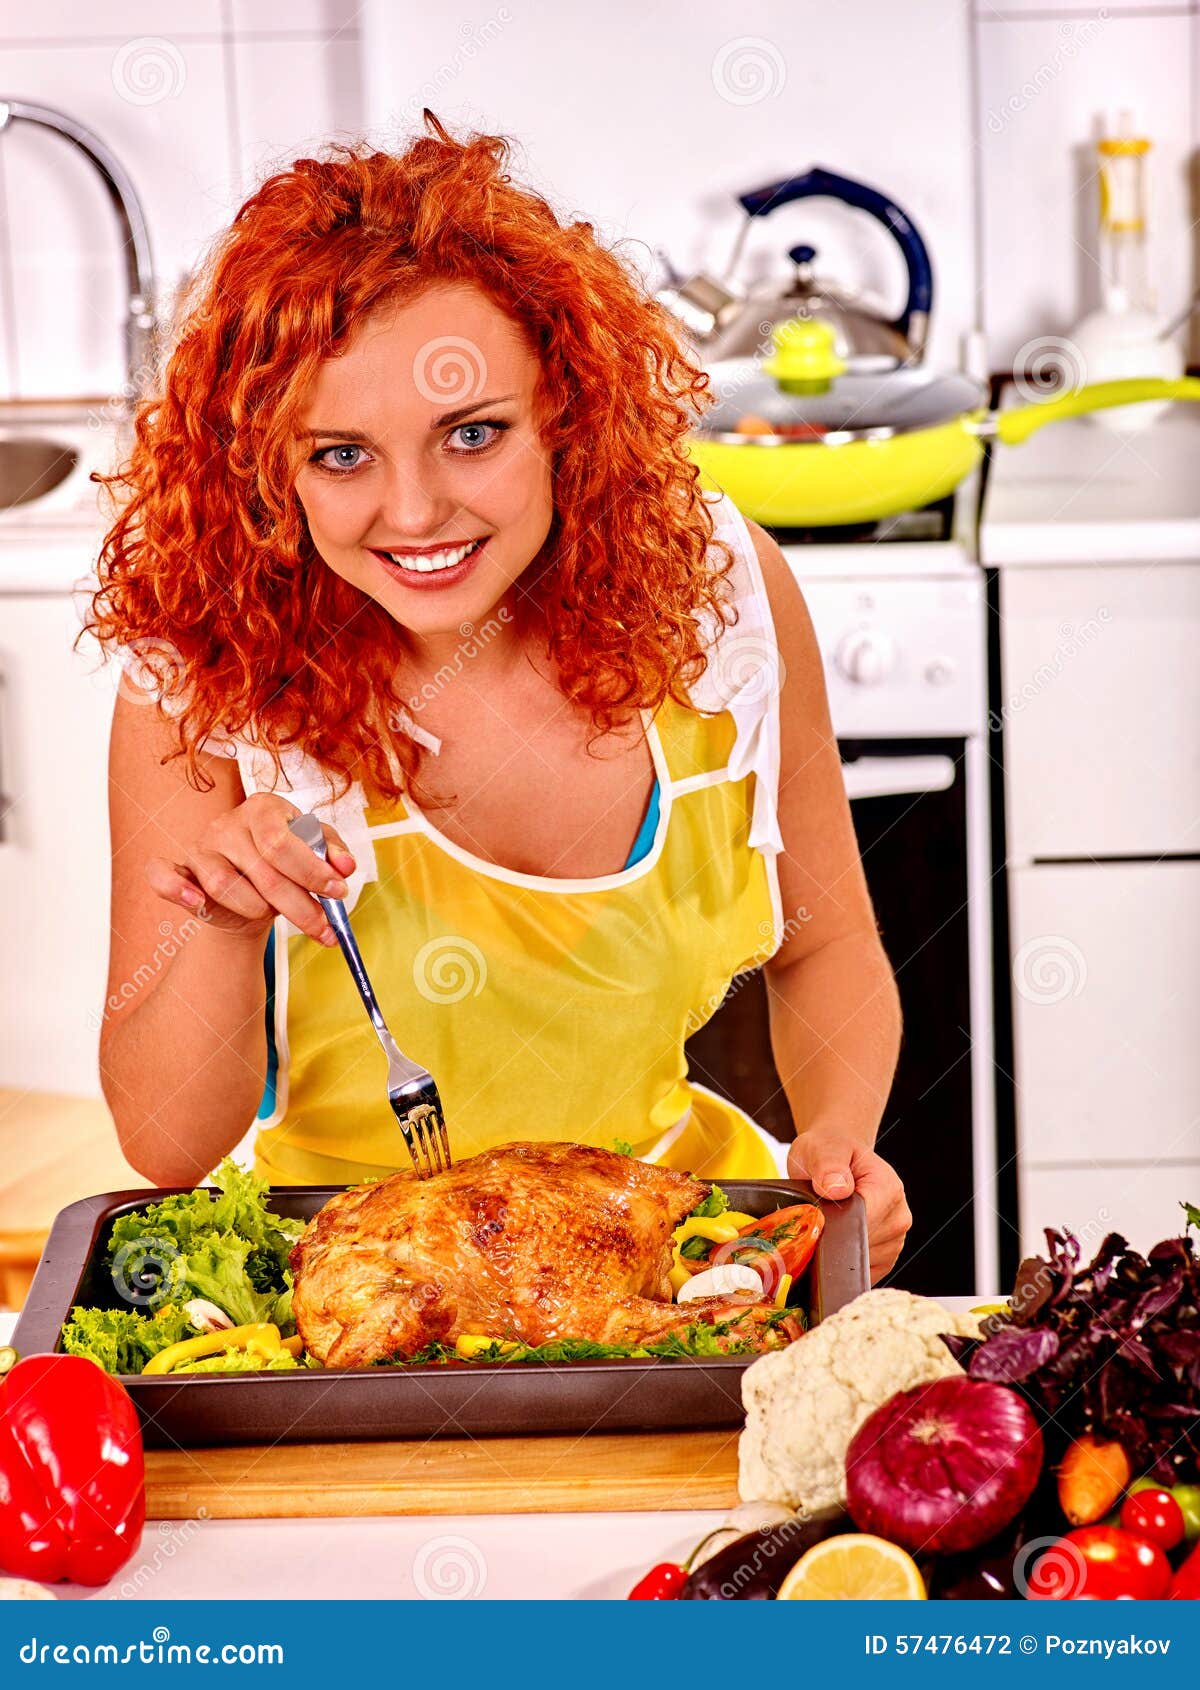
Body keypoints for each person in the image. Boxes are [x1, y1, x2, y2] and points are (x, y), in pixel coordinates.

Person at [88, 113, 911, 1282]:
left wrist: (832, 1143)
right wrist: (224, 917)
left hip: (666, 1255)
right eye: (339, 455)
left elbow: (826, 949)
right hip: (350, 1286)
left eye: (471, 434)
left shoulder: (717, 593)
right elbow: (165, 1146)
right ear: (264, 463)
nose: (414, 514)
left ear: (566, 419)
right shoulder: (205, 671)